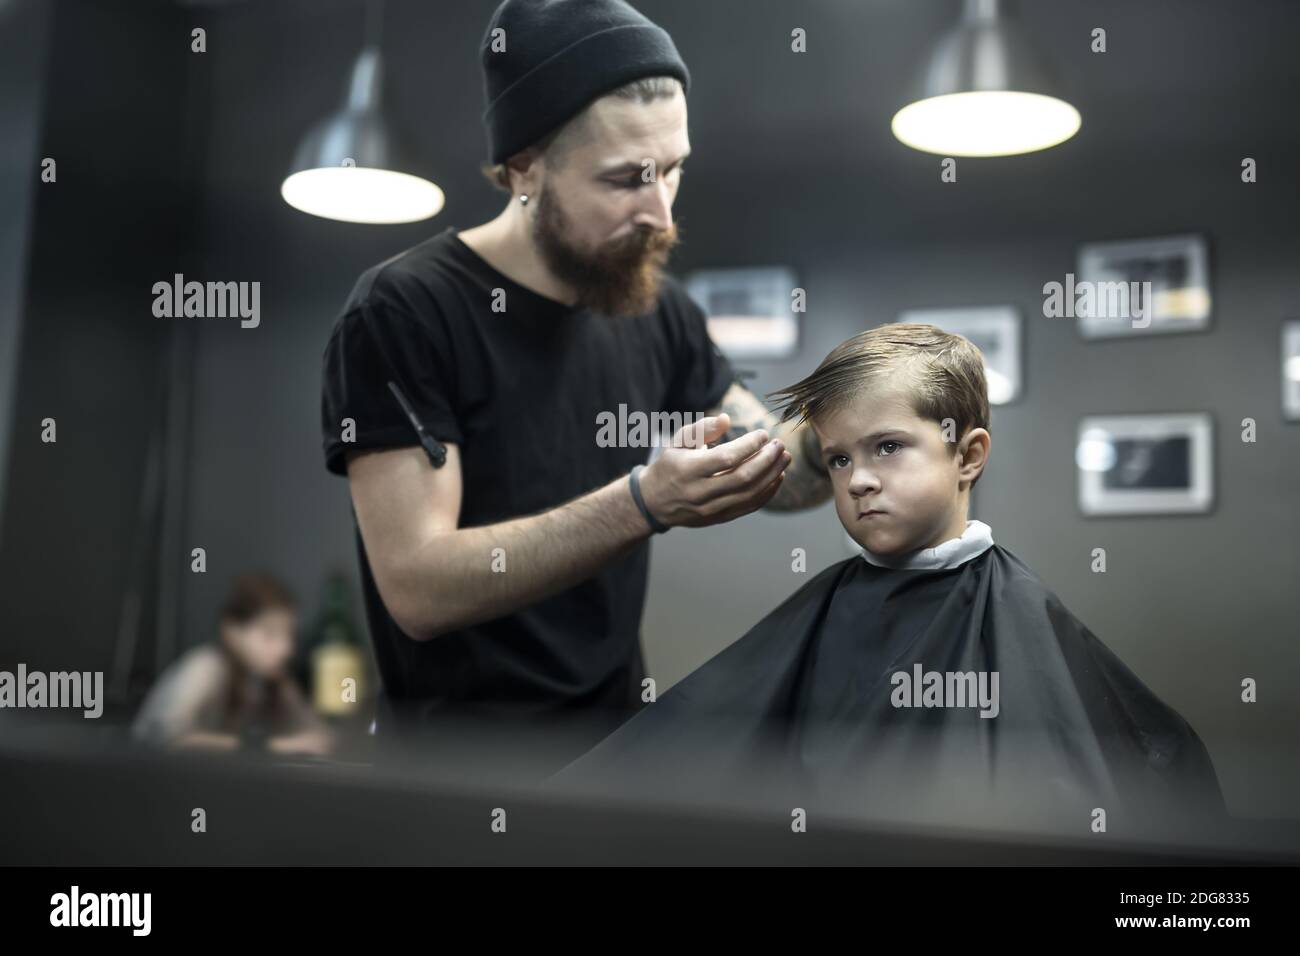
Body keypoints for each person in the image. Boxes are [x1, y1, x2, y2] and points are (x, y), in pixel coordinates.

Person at [319, 0, 832, 770]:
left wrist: (858, 417)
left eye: (674, 169)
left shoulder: (658, 309)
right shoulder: (405, 311)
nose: (661, 213)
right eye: (627, 179)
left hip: (616, 761)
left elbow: (778, 465)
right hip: (450, 782)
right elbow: (419, 589)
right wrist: (642, 503)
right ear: (524, 167)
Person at [549, 324, 1226, 836]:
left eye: (888, 447)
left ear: (969, 455)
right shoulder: (820, 611)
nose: (859, 478)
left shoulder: (1026, 615)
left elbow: (1155, 769)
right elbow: (672, 758)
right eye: (839, 459)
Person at [132, 573, 333, 756]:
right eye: (270, 634)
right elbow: (167, 737)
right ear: (232, 631)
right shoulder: (205, 667)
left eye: (290, 635)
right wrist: (274, 746)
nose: (286, 649)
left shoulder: (269, 679)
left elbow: (318, 734)